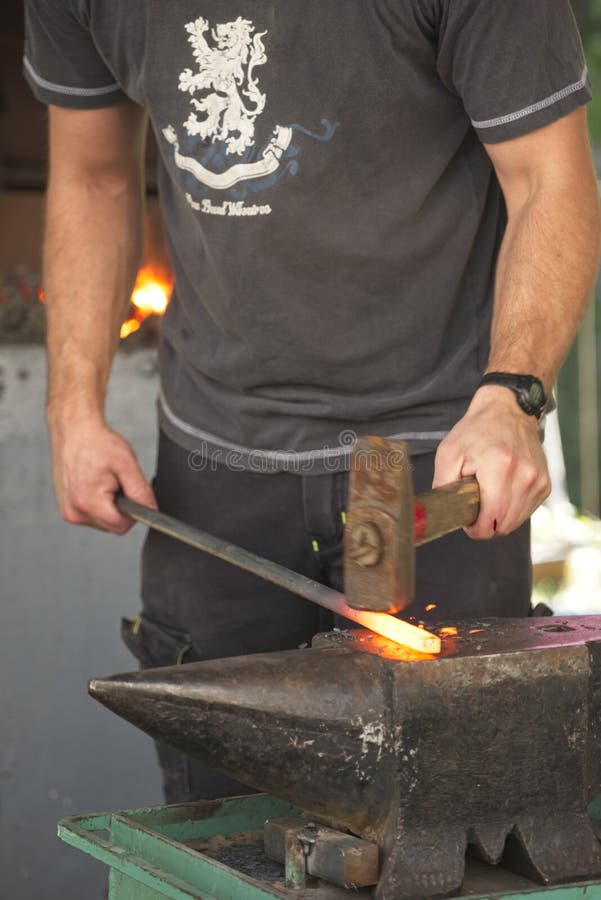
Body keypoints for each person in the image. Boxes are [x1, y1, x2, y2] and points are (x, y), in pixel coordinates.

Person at [24, 1, 600, 803]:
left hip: (439, 454)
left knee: (453, 810)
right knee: (218, 821)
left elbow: (550, 179)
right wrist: (72, 409)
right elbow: (93, 175)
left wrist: (512, 394)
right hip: (212, 463)